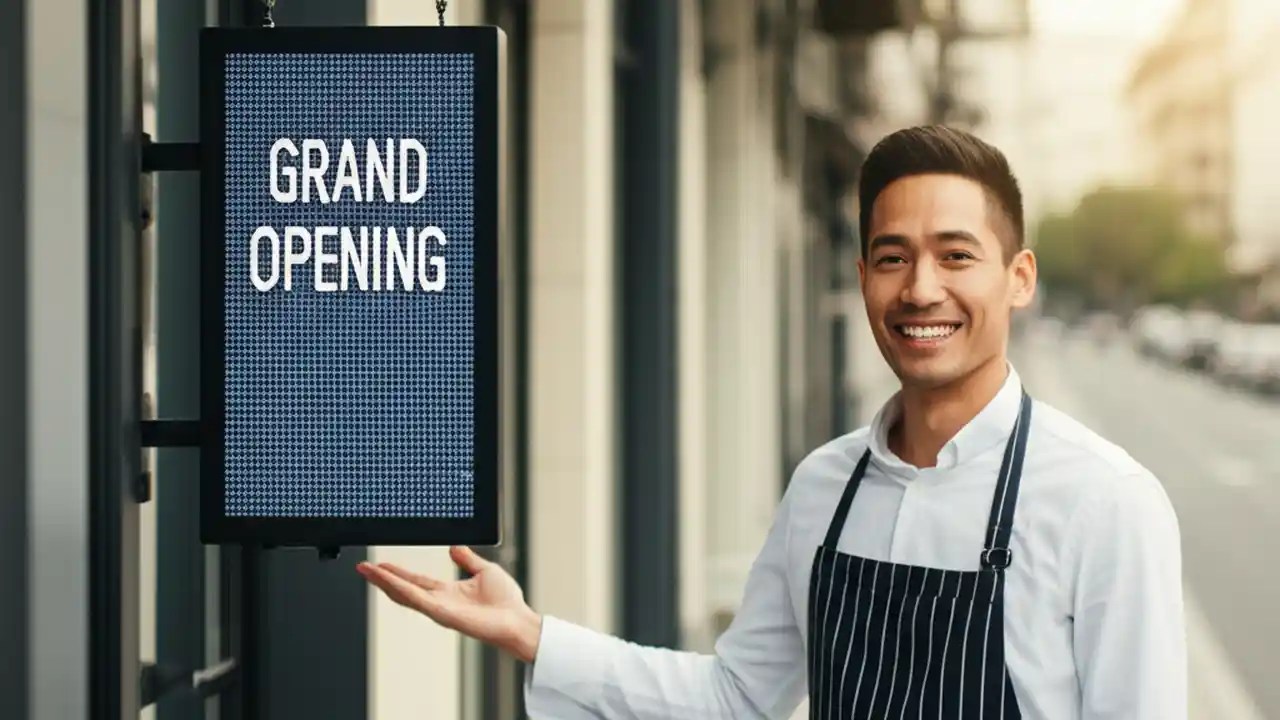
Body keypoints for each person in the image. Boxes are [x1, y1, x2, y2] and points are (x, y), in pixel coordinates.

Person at [357, 125, 1186, 719]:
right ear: (862, 277)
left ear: (1019, 278)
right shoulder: (825, 486)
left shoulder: (1104, 502)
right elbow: (736, 697)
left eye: (956, 255)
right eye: (893, 257)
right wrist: (533, 635)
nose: (921, 289)